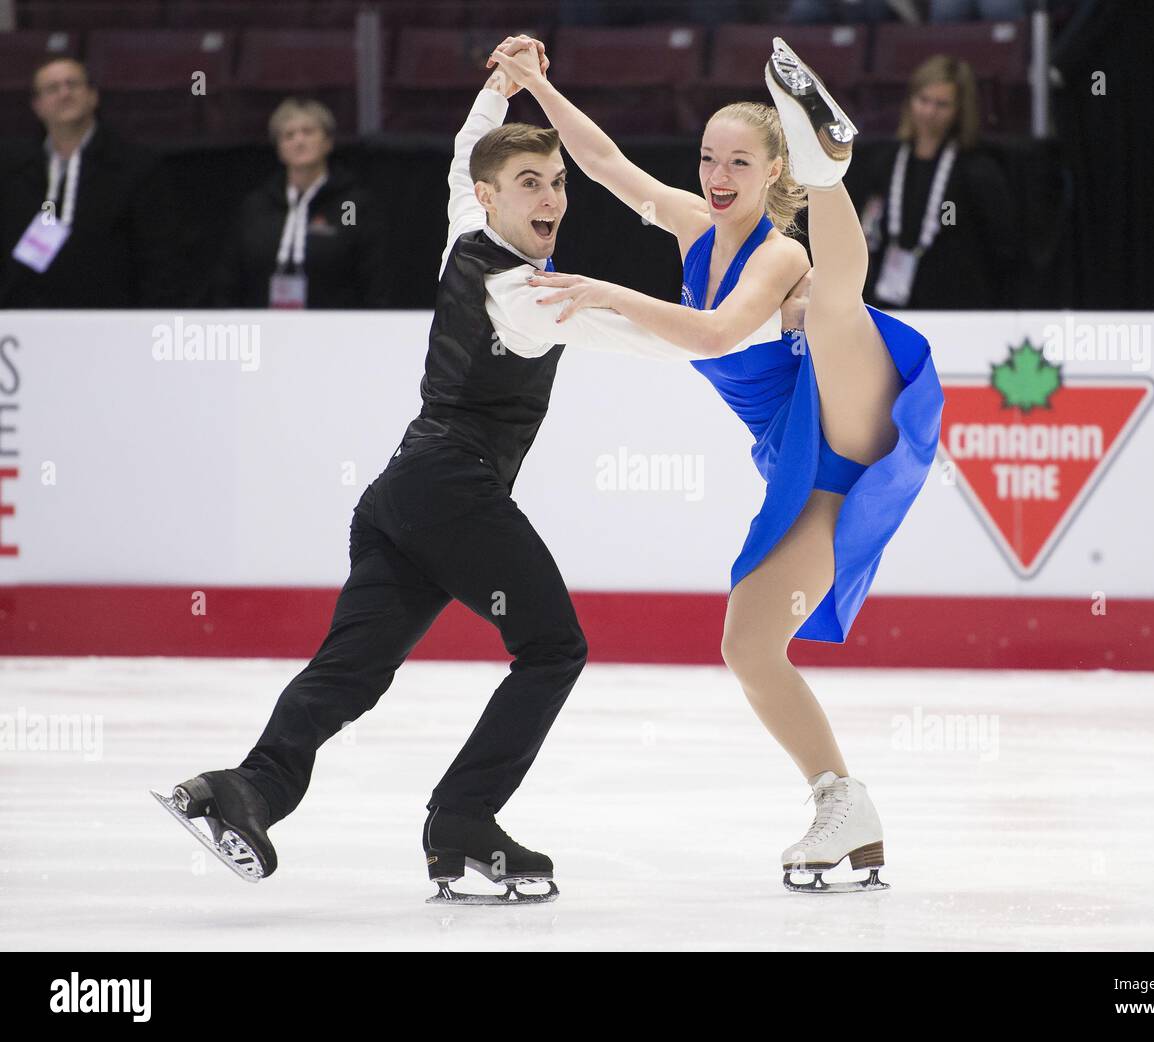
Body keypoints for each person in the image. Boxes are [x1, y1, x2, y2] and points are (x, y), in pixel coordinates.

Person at [153, 46, 785, 904]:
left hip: (402, 494)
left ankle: (246, 790)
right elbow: (680, 340)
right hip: (450, 487)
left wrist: (503, 81)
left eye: (556, 182)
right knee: (555, 648)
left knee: (352, 671)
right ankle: (461, 818)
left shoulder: (464, 228)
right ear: (496, 199)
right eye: (531, 183)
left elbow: (466, 150)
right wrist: (753, 322)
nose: (553, 197)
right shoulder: (529, 293)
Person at [489, 36, 943, 892]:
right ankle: (844, 805)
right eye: (707, 157)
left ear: (775, 174)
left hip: (843, 409)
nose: (717, 174)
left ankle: (831, 165)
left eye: (739, 160)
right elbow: (607, 164)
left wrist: (607, 292)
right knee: (749, 644)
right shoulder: (696, 228)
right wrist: (538, 89)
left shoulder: (779, 253)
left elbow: (715, 333)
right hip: (801, 465)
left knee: (838, 310)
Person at [0, 57, 178, 308]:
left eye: (72, 84)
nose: (64, 93)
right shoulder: (12, 170)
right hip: (27, 321)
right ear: (37, 106)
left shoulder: (135, 167)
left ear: (93, 96)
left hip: (110, 319)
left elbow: (159, 256)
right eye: (52, 88)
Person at [858, 55, 1018, 309]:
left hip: (959, 305)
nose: (930, 112)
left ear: (959, 110)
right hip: (891, 300)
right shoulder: (886, 162)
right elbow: (870, 227)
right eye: (923, 100)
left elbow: (1004, 246)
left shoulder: (977, 169)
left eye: (942, 104)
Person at [211, 98, 390, 309]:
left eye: (308, 132)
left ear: (328, 141)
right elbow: (230, 277)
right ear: (278, 148)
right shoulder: (257, 206)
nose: (299, 141)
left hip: (336, 330)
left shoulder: (352, 205)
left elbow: (374, 278)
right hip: (264, 327)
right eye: (289, 135)